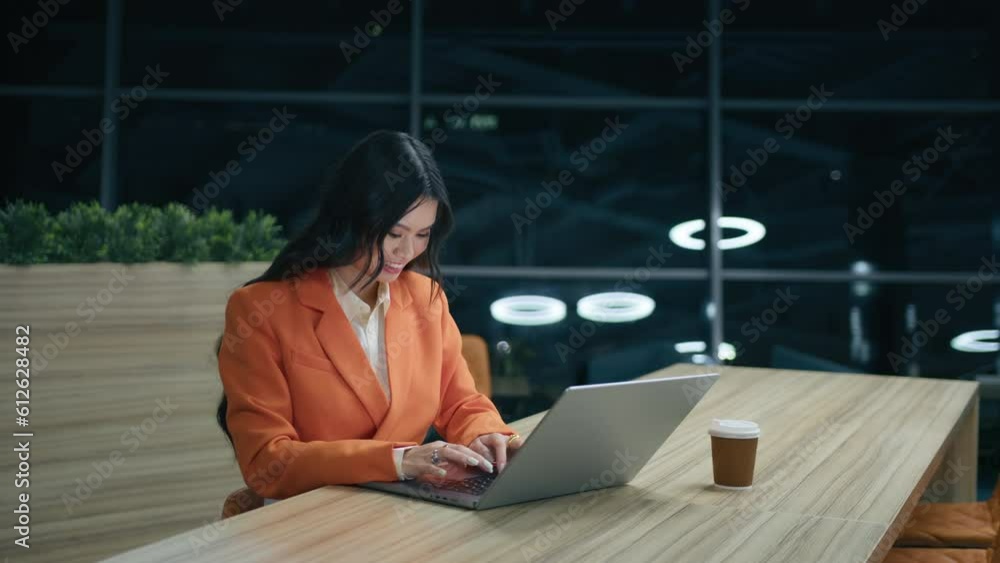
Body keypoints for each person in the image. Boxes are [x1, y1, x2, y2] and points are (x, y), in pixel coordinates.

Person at [214, 130, 522, 503]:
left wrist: (486, 435)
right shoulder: (261, 309)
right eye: (394, 233)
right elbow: (267, 460)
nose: (407, 251)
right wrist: (397, 461)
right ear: (352, 217)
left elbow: (460, 403)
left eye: (423, 234)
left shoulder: (426, 299)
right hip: (308, 515)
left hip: (402, 509)